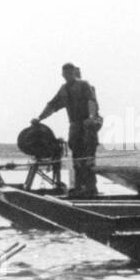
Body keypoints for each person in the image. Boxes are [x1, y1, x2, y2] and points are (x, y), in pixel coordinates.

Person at [34, 62, 102, 197]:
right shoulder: (63, 89)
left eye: (69, 73)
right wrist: (40, 118)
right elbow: (52, 105)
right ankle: (78, 186)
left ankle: (90, 187)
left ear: (73, 73)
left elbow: (91, 101)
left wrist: (91, 116)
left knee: (87, 156)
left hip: (88, 123)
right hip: (75, 124)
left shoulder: (84, 85)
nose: (67, 75)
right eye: (64, 73)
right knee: (76, 156)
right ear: (62, 74)